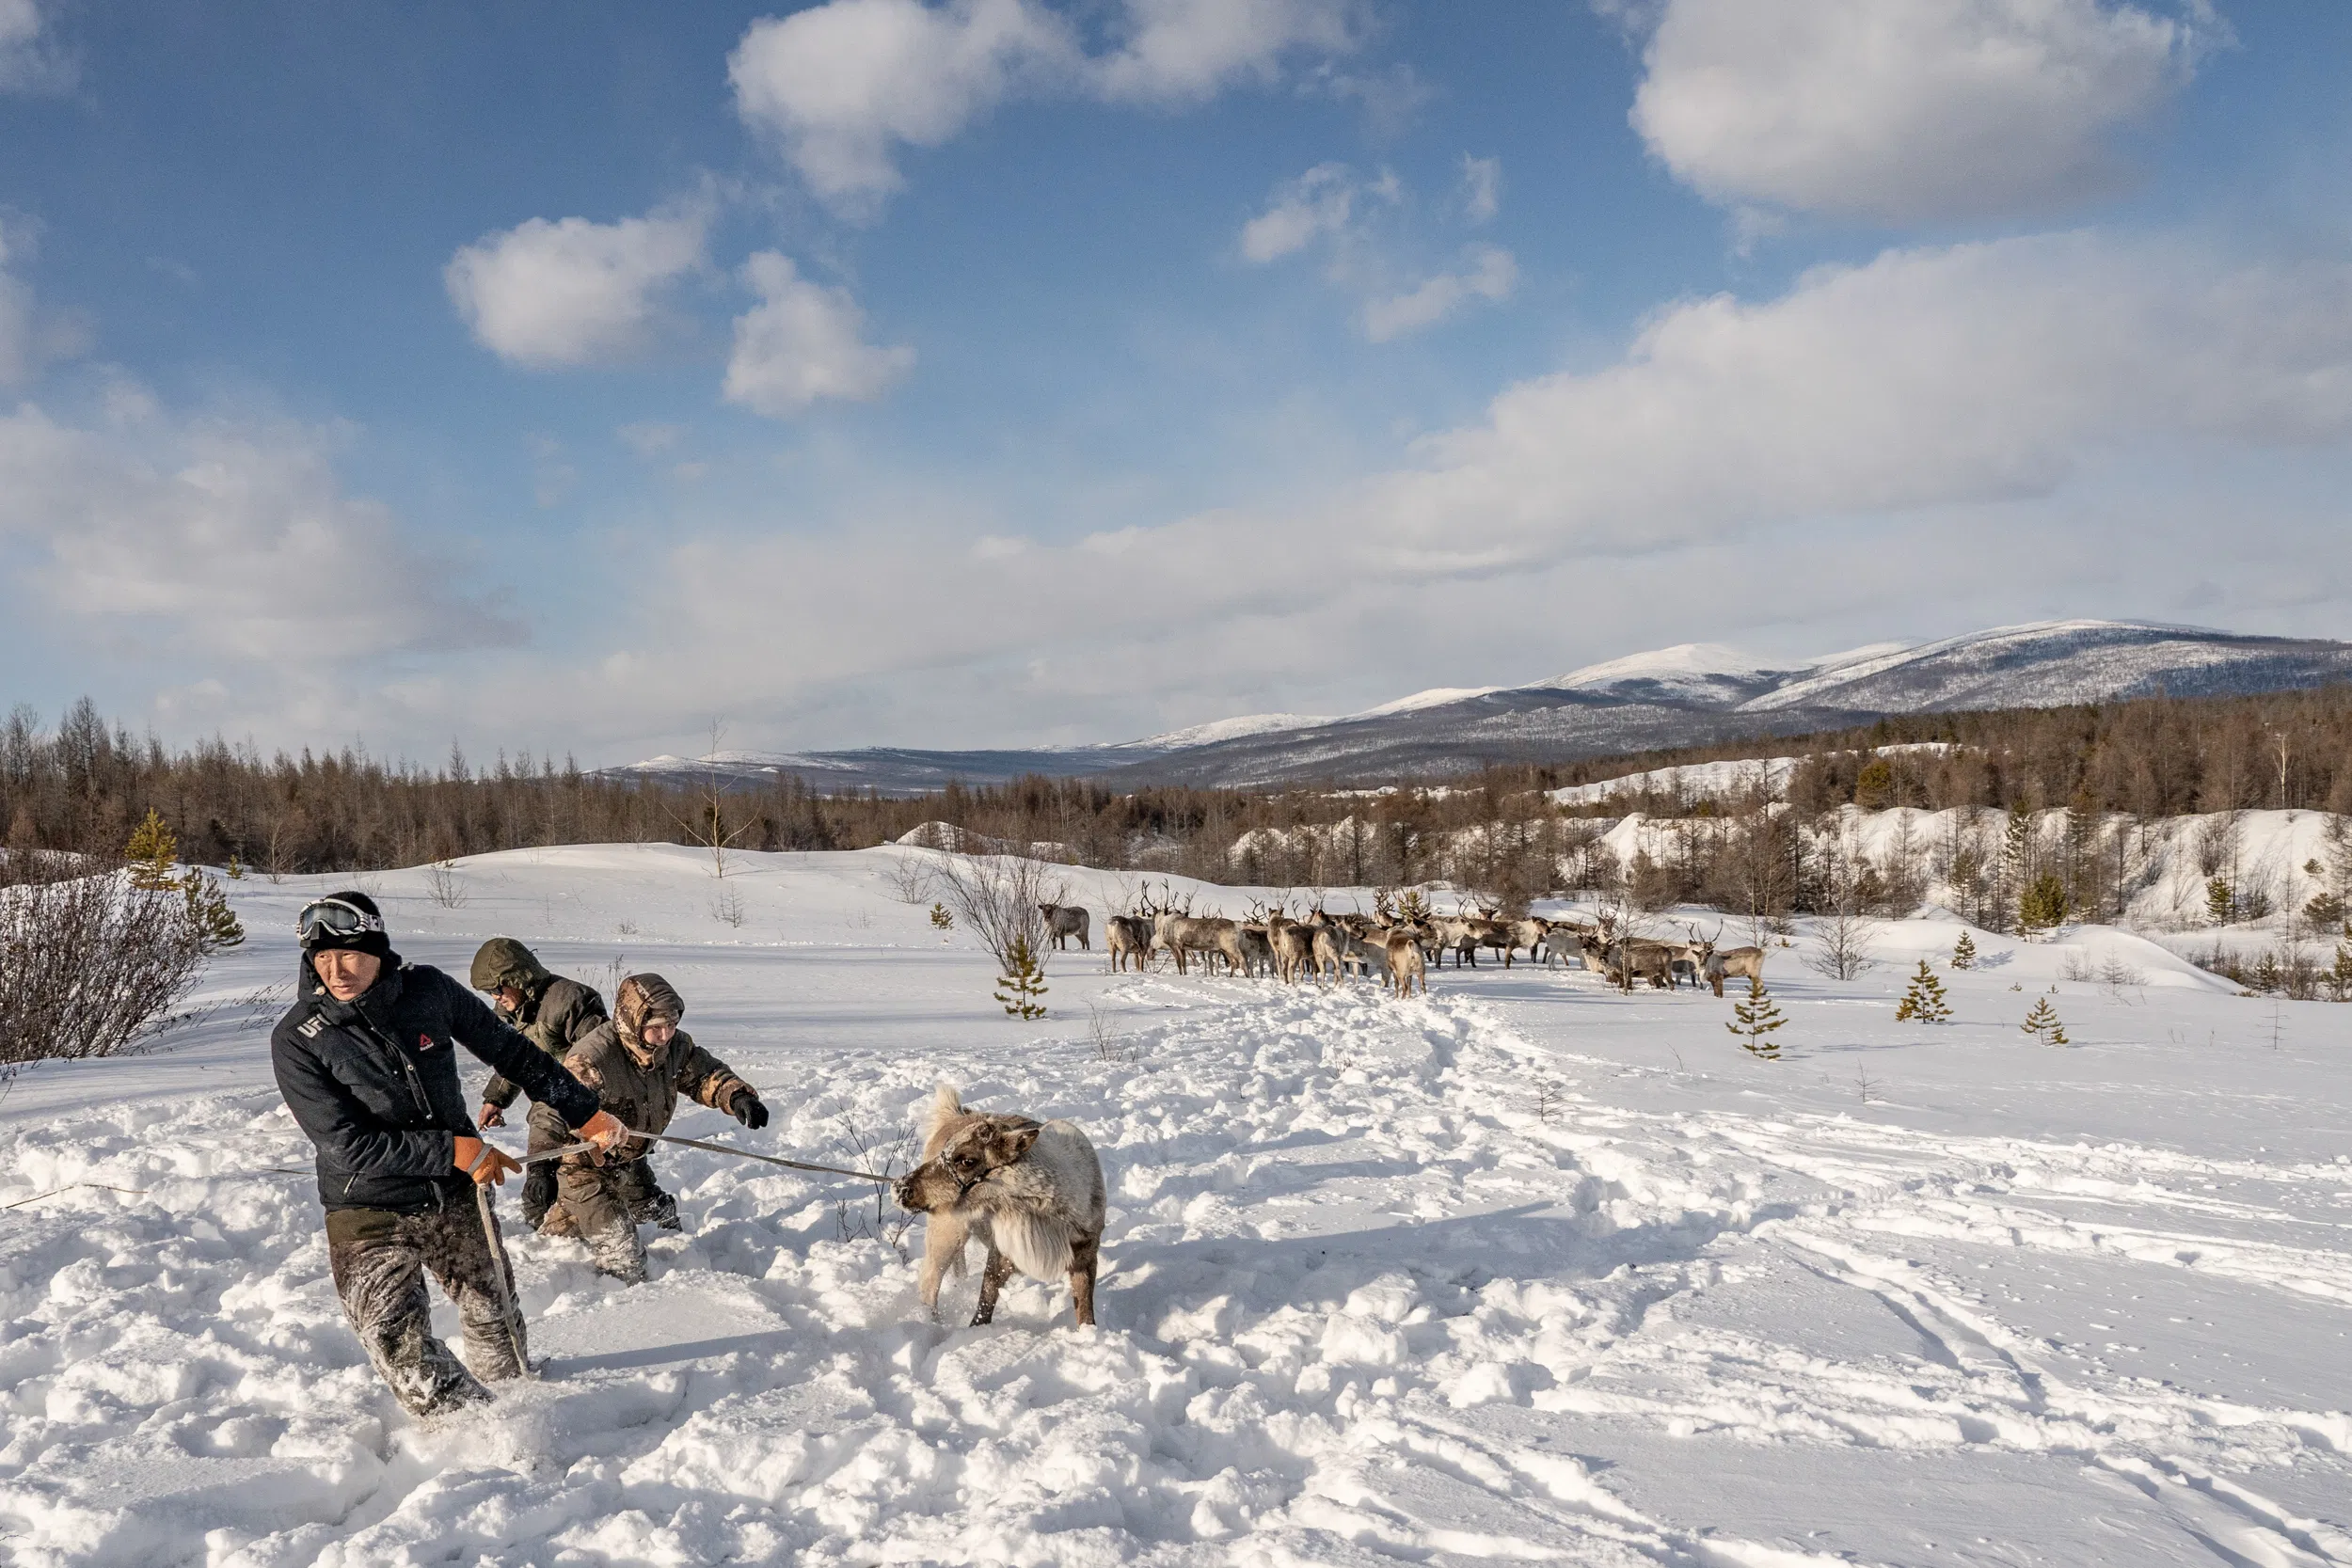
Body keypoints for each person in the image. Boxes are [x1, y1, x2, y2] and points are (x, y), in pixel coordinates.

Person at [270, 892, 625, 1418]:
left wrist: (583, 1111)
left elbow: (513, 1053)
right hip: (367, 1207)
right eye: (321, 958)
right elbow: (345, 1144)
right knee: (395, 1343)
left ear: (377, 948)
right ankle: (478, 1431)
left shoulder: (429, 990)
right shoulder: (297, 1039)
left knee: (492, 1313)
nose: (336, 970)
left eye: (349, 954)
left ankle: (520, 1400)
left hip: (453, 1197)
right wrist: (454, 1150)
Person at [529, 973, 766, 1284]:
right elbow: (552, 1109)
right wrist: (540, 1167)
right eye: (656, 1027)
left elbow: (705, 1075)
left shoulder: (674, 1047)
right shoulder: (594, 1057)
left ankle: (567, 1219)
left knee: (663, 1225)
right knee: (624, 1256)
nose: (665, 1034)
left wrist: (736, 1096)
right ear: (632, 1021)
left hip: (629, 1162)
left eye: (671, 1025)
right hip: (584, 1168)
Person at [469, 937, 610, 1231]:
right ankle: (541, 1237)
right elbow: (515, 1058)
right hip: (550, 1104)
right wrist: (496, 1099)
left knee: (622, 1179)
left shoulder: (571, 1000)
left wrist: (565, 1099)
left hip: (593, 1101)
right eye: (489, 992)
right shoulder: (509, 1013)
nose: (495, 996)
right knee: (540, 1178)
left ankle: (662, 1223)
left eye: (498, 988)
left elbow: (597, 1059)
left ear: (518, 978)